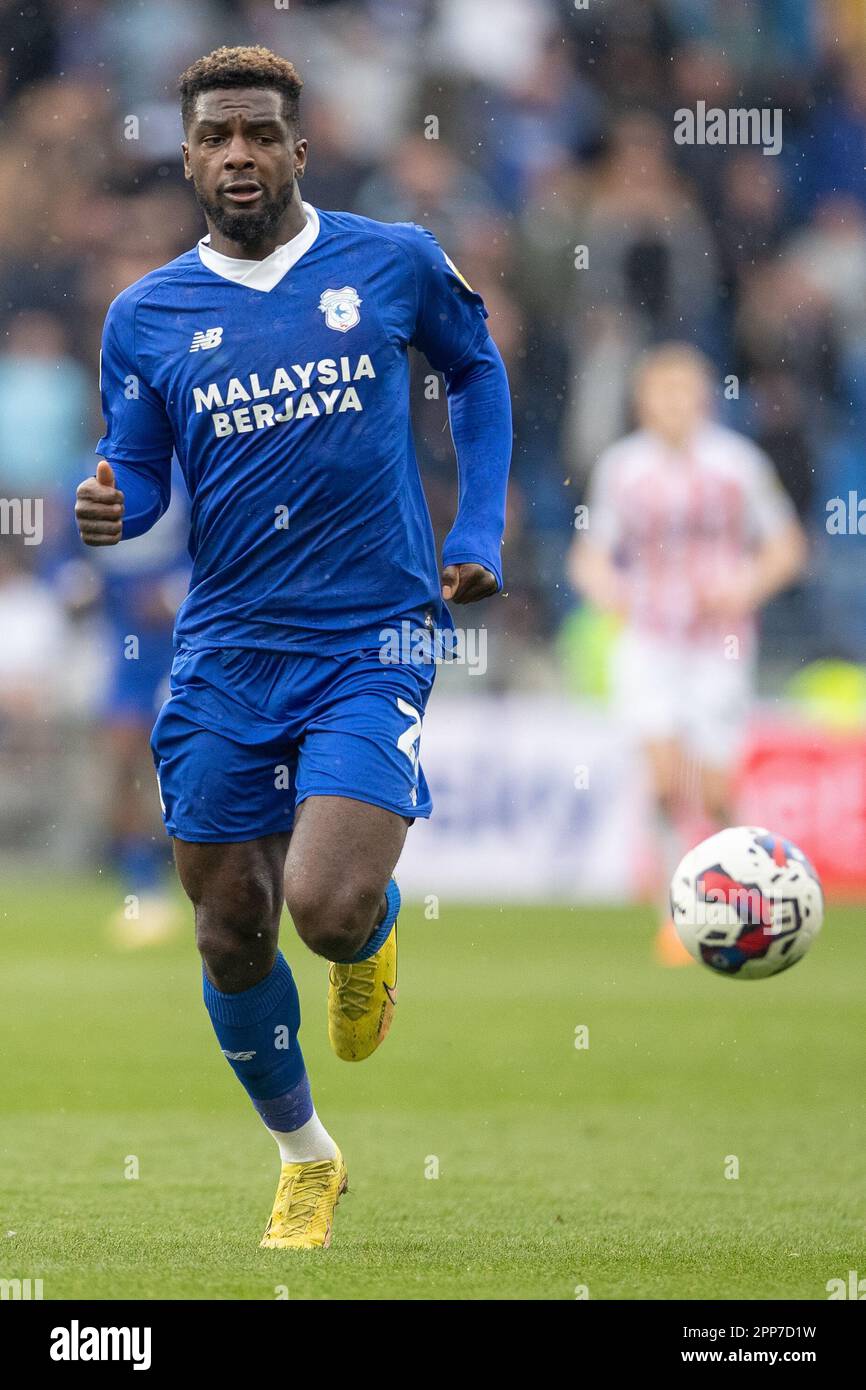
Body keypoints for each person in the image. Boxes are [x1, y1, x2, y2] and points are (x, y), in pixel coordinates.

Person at [75, 45, 511, 1249]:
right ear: (186, 156)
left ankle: (364, 941)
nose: (238, 156)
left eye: (259, 135)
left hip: (370, 634)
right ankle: (304, 1157)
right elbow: (146, 474)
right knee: (225, 922)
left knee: (320, 903)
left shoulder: (390, 261)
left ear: (298, 149)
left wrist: (472, 526)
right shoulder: (145, 315)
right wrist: (117, 505)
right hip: (227, 644)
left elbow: (475, 370)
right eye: (216, 137)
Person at [569, 343, 806, 964]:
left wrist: (744, 586)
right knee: (667, 777)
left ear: (704, 399)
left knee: (720, 789)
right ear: (644, 402)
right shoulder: (622, 468)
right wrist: (607, 588)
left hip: (718, 646)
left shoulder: (738, 465)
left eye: (685, 393)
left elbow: (787, 546)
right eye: (662, 394)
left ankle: (752, 904)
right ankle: (680, 916)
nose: (674, 406)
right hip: (648, 641)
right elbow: (589, 554)